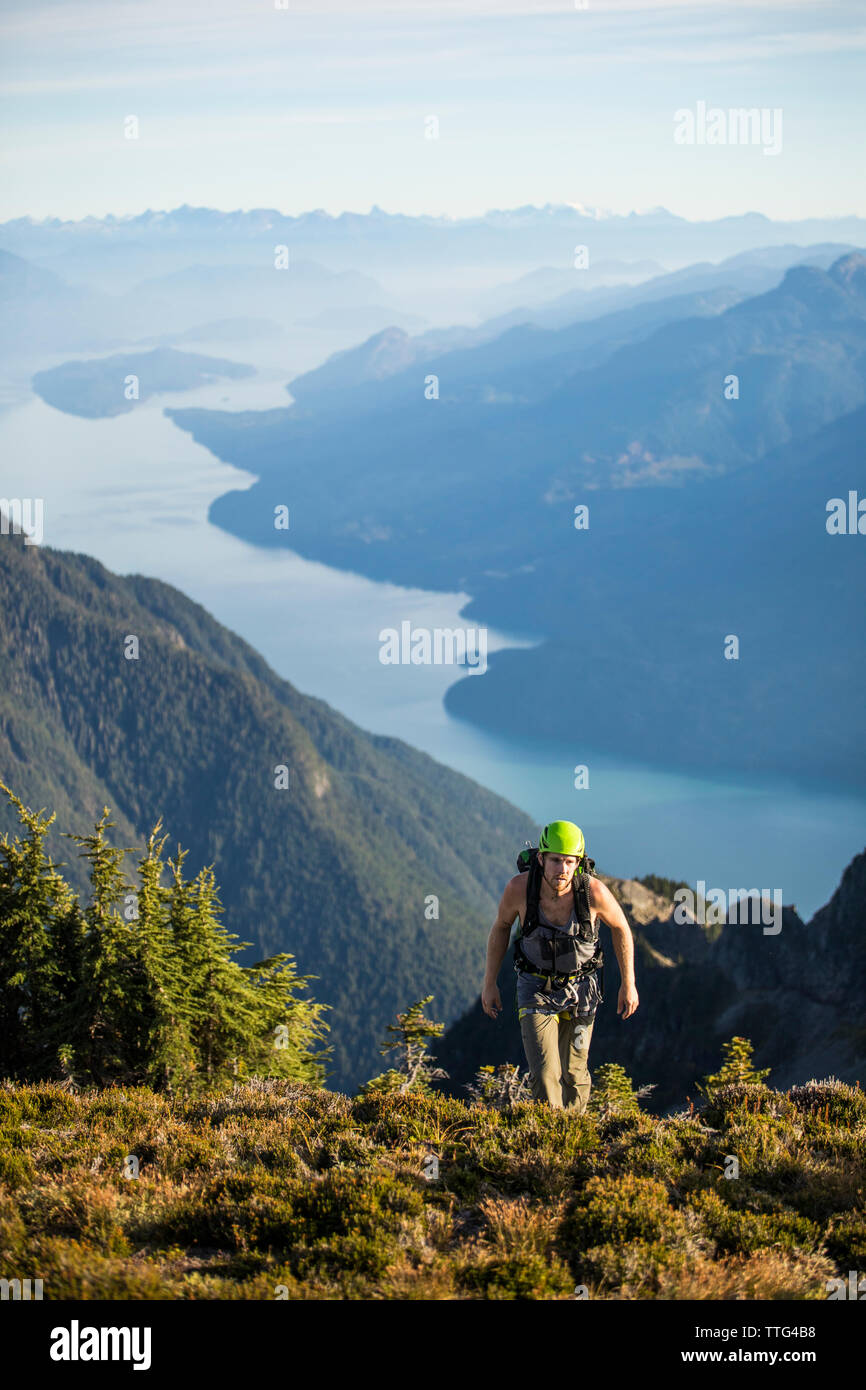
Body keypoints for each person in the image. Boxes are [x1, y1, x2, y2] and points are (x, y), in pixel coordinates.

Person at [480, 820, 639, 1111]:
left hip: (582, 991)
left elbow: (622, 928)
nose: (562, 869)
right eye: (555, 860)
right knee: (544, 1074)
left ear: (578, 862)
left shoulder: (593, 893)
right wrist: (489, 983)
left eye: (569, 861)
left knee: (574, 1074)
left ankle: (573, 1138)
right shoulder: (519, 890)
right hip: (535, 988)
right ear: (540, 858)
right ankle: (551, 1138)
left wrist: (628, 984)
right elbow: (501, 928)